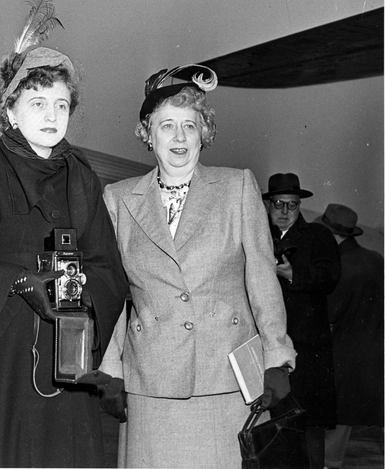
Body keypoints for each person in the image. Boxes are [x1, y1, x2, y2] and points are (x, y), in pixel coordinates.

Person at [0, 0, 128, 467]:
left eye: (62, 105)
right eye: (38, 102)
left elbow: (108, 266)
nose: (51, 116)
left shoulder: (82, 176)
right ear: (10, 110)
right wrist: (22, 283)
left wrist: (79, 295)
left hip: (66, 355)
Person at [100, 65, 296, 469]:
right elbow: (116, 294)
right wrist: (110, 369)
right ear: (147, 133)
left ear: (203, 134)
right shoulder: (118, 199)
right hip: (151, 382)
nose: (179, 137)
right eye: (166, 125)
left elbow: (262, 281)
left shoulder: (237, 186)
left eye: (189, 125)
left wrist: (278, 358)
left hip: (225, 380)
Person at [263, 173, 342, 469]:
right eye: (279, 205)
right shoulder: (259, 235)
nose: (284, 212)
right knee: (274, 432)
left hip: (308, 351)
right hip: (271, 348)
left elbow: (331, 276)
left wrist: (293, 274)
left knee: (309, 432)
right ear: (268, 205)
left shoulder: (318, 236)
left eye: (292, 206)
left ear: (300, 208)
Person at [314, 204, 383, 469]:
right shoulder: (377, 259)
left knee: (335, 419)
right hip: (374, 354)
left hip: (343, 354)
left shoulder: (341, 267)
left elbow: (329, 314)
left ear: (333, 235)